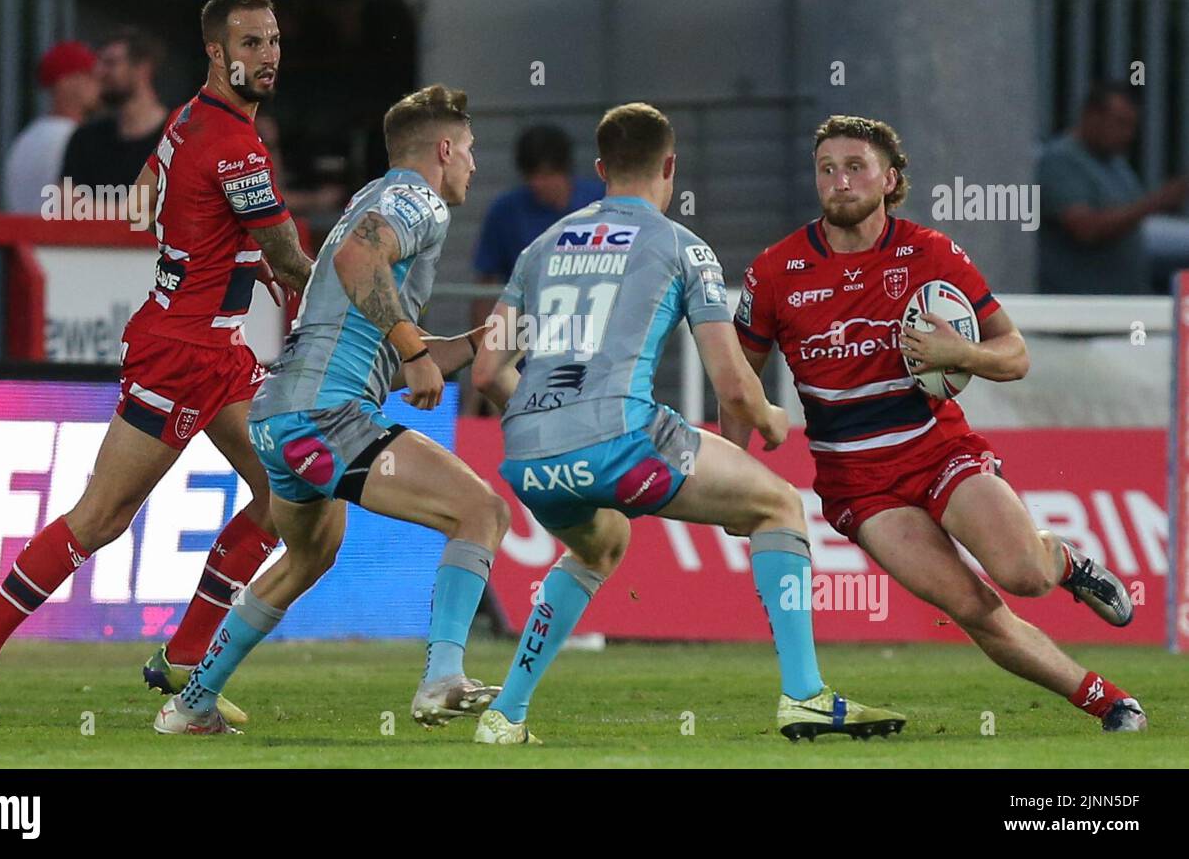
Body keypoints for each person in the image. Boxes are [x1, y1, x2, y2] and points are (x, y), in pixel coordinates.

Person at [0, 0, 315, 727]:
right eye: (251, 44)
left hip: (215, 349)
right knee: (103, 517)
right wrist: (379, 320)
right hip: (180, 355)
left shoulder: (190, 120)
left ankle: (185, 657)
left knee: (284, 492)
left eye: (272, 41)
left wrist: (213, 248)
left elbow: (142, 202)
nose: (267, 56)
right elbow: (292, 259)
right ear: (216, 52)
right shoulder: (233, 144)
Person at [470, 103, 905, 745]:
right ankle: (806, 695)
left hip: (530, 456)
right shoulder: (681, 246)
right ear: (670, 166)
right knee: (781, 506)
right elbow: (732, 383)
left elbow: (485, 371)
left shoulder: (542, 246)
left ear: (599, 169)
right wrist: (770, 418)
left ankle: (505, 714)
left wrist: (548, 420)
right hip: (623, 442)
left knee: (599, 545)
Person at [726, 114, 1145, 732]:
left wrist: (961, 355)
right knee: (971, 607)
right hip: (857, 482)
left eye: (855, 167)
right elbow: (738, 387)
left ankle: (1063, 564)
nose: (839, 181)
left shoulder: (929, 253)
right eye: (826, 169)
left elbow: (1015, 354)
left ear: (889, 179)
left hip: (937, 447)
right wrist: (731, 483)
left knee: (1023, 575)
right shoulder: (775, 272)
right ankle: (1110, 703)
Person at [153, 84, 509, 736]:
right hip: (323, 416)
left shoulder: (369, 201)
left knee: (309, 558)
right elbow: (355, 261)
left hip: (282, 416)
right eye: (472, 151)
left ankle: (192, 703)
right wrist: (414, 347)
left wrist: (486, 342)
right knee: (482, 511)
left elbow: (386, 349)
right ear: (445, 147)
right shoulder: (415, 199)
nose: (474, 167)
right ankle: (442, 677)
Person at [1037, 82, 1188, 294]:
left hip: (1120, 302)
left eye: (1132, 126)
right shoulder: (1060, 161)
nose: (1127, 134)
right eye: (1120, 123)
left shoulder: (1115, 163)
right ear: (1092, 115)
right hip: (1080, 308)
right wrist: (1154, 203)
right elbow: (1085, 229)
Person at [469, 125, 603, 341]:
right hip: (527, 337)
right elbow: (485, 284)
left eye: (548, 174)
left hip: (592, 331)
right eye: (532, 176)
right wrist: (481, 346)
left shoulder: (601, 203)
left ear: (565, 169)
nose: (539, 184)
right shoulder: (505, 211)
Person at [58, 27, 169, 218]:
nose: (99, 72)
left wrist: (95, 210)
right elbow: (65, 206)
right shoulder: (86, 139)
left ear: (142, 69)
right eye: (98, 63)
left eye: (110, 63)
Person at [2, 41, 101, 214]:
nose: (98, 84)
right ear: (65, 82)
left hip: (27, 237)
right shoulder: (74, 138)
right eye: (89, 75)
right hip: (59, 238)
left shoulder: (26, 138)